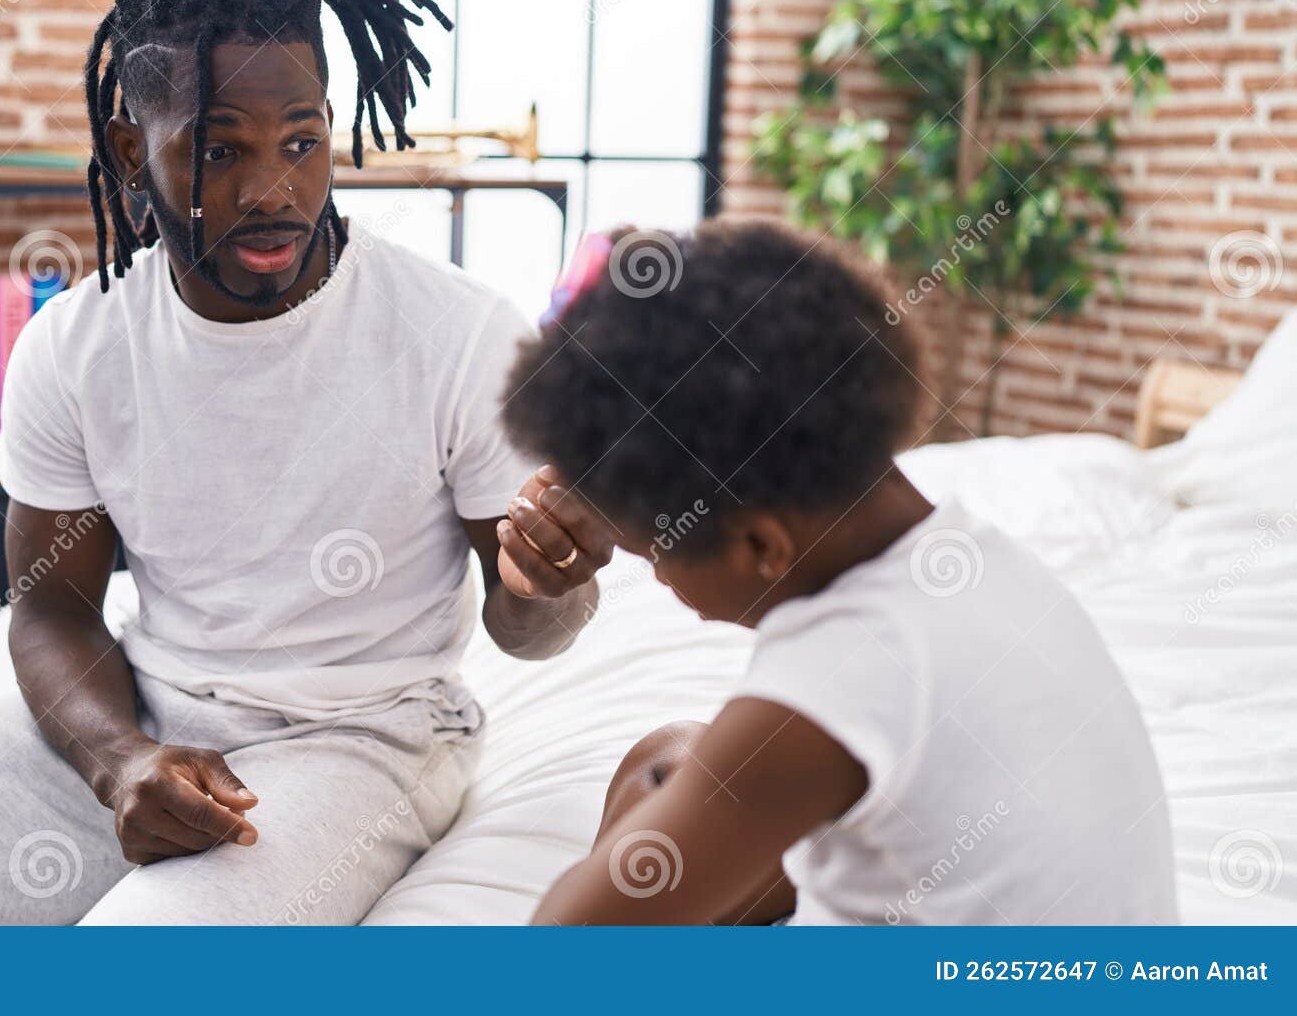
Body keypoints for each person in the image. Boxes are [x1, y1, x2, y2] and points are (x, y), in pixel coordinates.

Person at [0, 0, 614, 926]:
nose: (272, 190)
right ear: (135, 148)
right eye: (219, 150)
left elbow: (527, 631)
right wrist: (117, 756)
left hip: (364, 736)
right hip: (147, 717)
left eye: (301, 142)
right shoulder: (76, 347)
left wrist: (547, 585)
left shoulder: (457, 330)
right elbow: (50, 610)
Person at [501, 219, 1179, 925]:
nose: (659, 572)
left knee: (662, 815)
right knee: (668, 761)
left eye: (660, 555)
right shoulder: (981, 562)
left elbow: (568, 941)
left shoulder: (833, 679)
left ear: (763, 545)